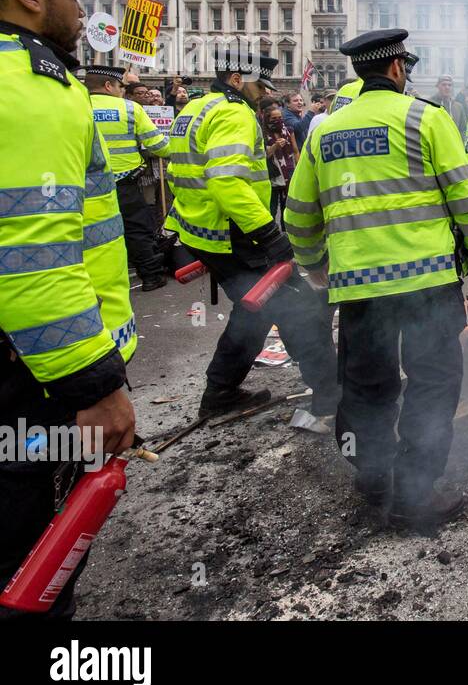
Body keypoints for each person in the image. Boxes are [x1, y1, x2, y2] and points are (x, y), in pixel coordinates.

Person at [285, 30, 468, 526]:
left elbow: (298, 213)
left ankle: (373, 476)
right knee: (432, 382)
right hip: (426, 282)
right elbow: (467, 200)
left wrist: (314, 263)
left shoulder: (325, 130)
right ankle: (414, 495)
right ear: (397, 69)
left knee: (368, 386)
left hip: (358, 287)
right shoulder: (427, 118)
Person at [0, 0, 136, 619]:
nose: (82, 13)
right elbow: (32, 255)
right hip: (30, 375)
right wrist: (97, 384)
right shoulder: (33, 87)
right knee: (36, 564)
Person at [166, 49, 340, 419]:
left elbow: (183, 173)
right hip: (237, 237)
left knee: (255, 313)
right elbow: (227, 182)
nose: (264, 94)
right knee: (301, 309)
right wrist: (270, 236)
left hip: (207, 233)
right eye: (260, 86)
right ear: (236, 80)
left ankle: (221, 393)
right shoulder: (234, 112)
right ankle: (330, 392)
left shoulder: (196, 108)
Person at [85, 64, 171, 290]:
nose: (122, 90)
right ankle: (151, 277)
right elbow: (159, 145)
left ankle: (96, 284)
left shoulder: (75, 106)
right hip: (125, 183)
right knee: (137, 230)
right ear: (108, 85)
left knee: (92, 233)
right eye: (120, 86)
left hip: (87, 186)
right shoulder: (130, 109)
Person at [259, 98, 299, 226]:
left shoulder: (287, 130)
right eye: (274, 118)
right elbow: (264, 154)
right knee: (271, 208)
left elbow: (295, 150)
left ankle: (286, 232)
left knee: (286, 208)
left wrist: (297, 168)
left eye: (280, 117)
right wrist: (275, 146)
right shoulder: (262, 133)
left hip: (288, 173)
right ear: (267, 119)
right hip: (273, 176)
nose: (278, 121)